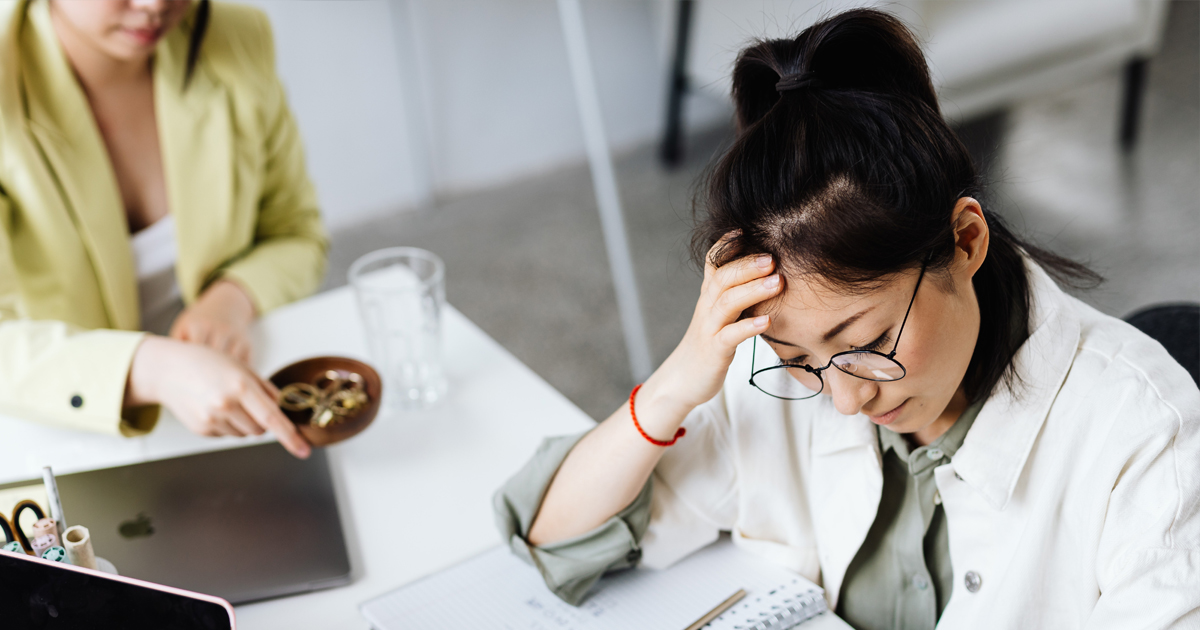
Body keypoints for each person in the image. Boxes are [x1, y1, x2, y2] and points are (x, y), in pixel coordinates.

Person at [494, 9, 1200, 628]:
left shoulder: (1143, 440)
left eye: (863, 343)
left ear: (965, 241)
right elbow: (554, 541)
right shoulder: (770, 376)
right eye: (797, 359)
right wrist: (680, 380)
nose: (844, 398)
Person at [0, 0, 326, 458]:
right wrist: (147, 368)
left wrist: (234, 296)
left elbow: (296, 231)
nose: (155, 6)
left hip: (229, 388)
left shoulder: (235, 36)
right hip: (62, 426)